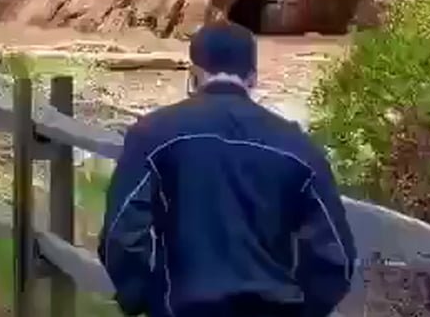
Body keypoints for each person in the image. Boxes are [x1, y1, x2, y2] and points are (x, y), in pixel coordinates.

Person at [98, 24, 357, 317]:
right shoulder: (297, 146)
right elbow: (337, 253)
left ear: (193, 75)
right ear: (253, 78)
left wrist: (140, 296)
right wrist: (308, 308)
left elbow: (121, 231)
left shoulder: (153, 134)